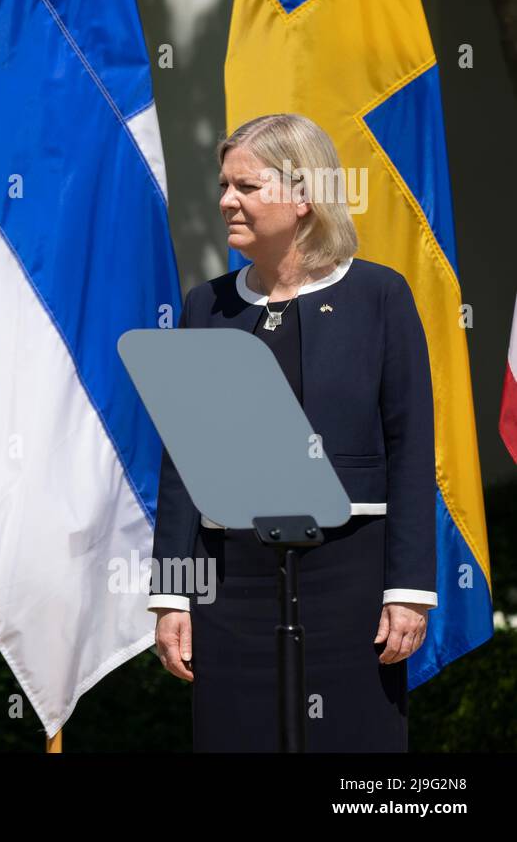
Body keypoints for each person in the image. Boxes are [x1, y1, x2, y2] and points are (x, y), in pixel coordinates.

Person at [149, 113, 436, 751]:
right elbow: (182, 466)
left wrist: (408, 591)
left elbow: (412, 450)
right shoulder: (206, 306)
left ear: (303, 196)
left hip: (349, 580)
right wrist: (172, 594)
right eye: (225, 185)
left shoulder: (379, 296)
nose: (227, 201)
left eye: (246, 187)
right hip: (230, 586)